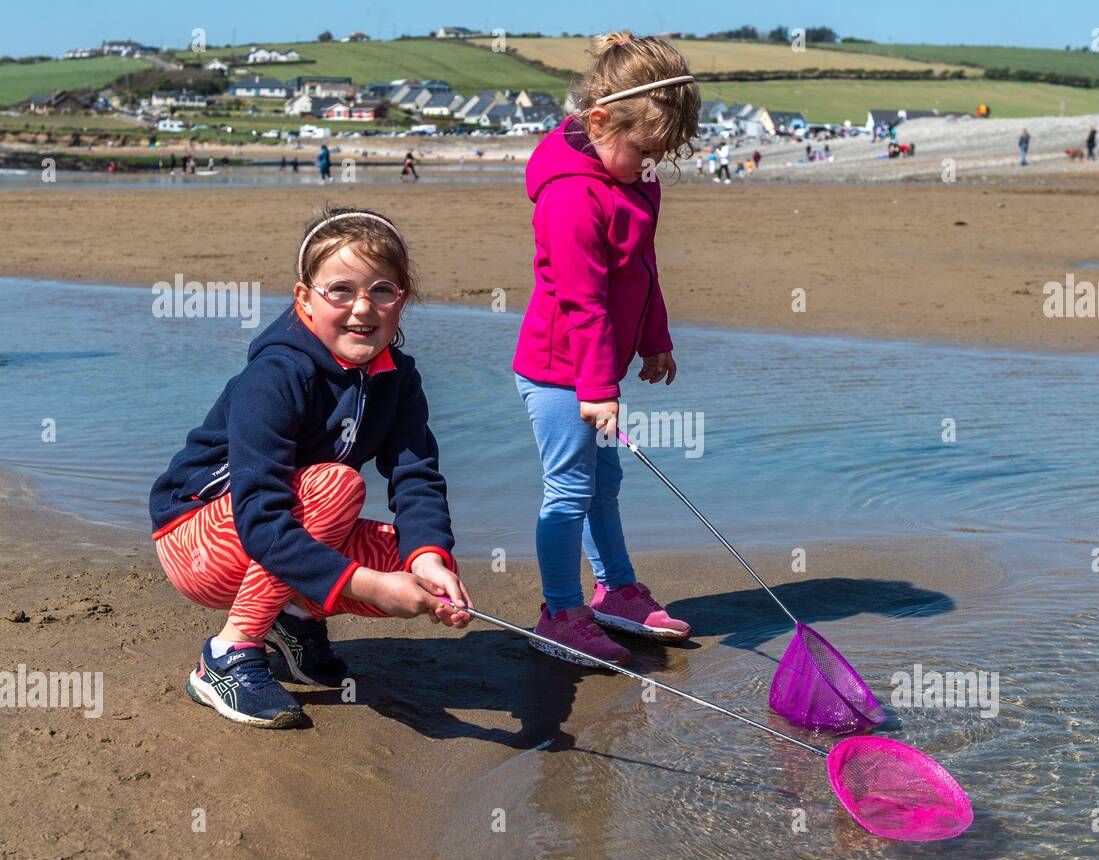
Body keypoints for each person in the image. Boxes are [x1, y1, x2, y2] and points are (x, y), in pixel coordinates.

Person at [149, 207, 472, 727]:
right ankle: (228, 655)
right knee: (337, 485)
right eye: (340, 290)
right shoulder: (276, 375)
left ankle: (293, 616)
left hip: (274, 536)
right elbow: (262, 519)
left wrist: (430, 560)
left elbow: (416, 476)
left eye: (382, 290)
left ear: (402, 298)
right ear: (304, 298)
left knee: (418, 562)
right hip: (197, 540)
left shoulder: (399, 378)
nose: (362, 308)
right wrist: (368, 586)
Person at [512, 31, 698, 666]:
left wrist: (654, 340)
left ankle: (615, 590)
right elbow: (583, 301)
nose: (651, 165)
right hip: (558, 372)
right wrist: (595, 389)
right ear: (597, 122)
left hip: (597, 373)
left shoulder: (633, 179)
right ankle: (559, 612)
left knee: (605, 483)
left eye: (660, 156)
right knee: (569, 491)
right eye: (644, 151)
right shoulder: (571, 194)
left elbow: (641, 270)